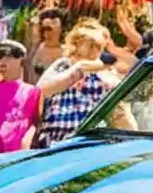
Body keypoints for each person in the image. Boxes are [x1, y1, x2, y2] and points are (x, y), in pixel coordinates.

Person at [36, 19, 121, 147]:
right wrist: (80, 67)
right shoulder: (63, 66)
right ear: (75, 43)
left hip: (91, 143)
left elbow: (120, 113)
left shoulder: (106, 74)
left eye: (96, 46)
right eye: (89, 44)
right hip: (56, 142)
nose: (91, 49)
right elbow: (40, 91)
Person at [0, 40, 42, 153]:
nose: (2, 61)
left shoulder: (32, 92)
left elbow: (36, 123)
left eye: (8, 57)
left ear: (20, 59)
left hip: (20, 155)